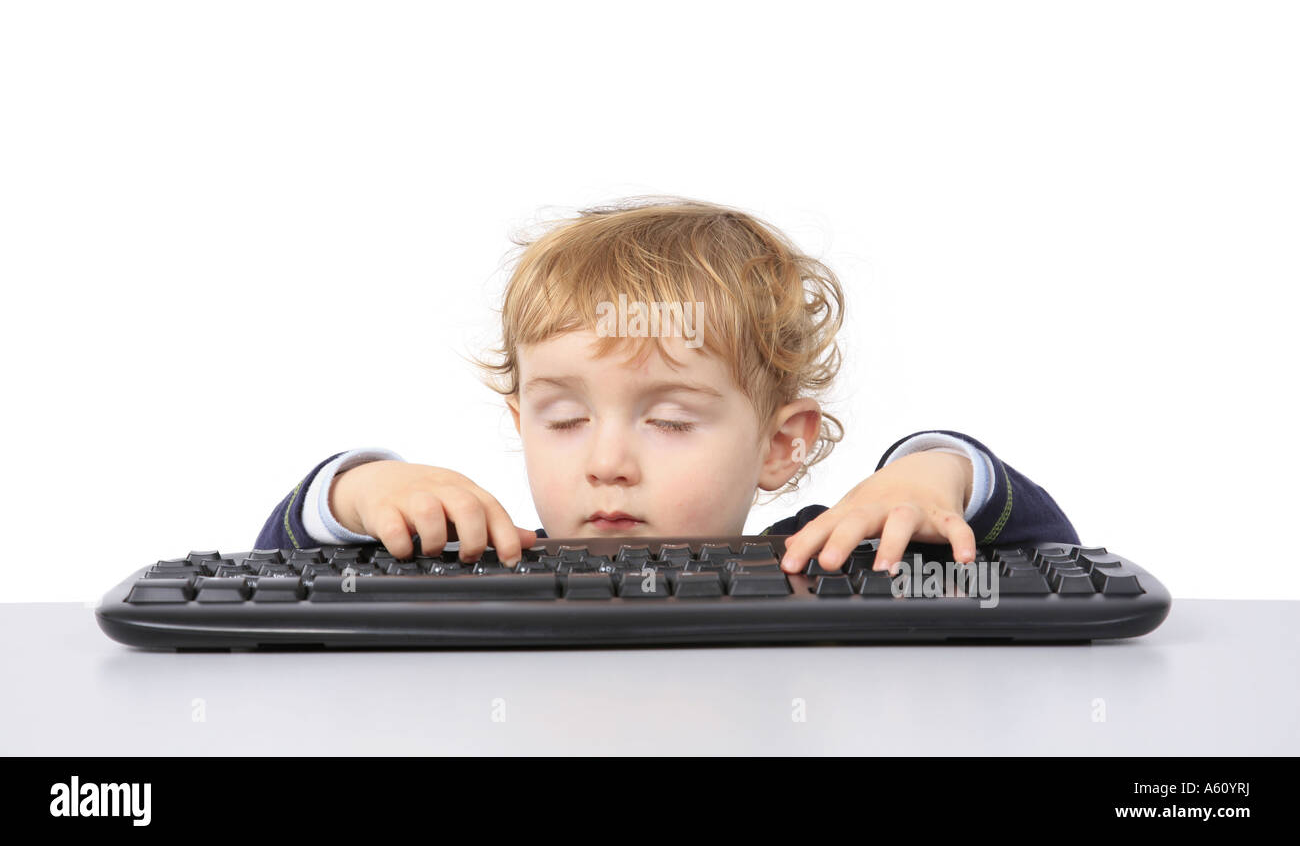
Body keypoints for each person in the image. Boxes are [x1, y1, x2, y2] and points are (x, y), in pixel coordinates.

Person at [253, 196, 1077, 576]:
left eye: (672, 421)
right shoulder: (469, 561)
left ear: (782, 442)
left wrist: (931, 472)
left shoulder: (824, 557)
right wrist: (363, 487)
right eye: (566, 418)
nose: (607, 462)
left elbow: (1050, 556)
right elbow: (272, 573)